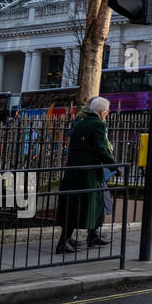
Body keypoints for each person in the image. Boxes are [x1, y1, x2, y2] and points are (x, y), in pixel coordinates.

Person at [56, 97, 117, 253]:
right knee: (87, 204)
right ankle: (64, 242)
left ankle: (74, 238)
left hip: (75, 170)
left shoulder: (81, 122)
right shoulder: (97, 125)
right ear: (102, 111)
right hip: (87, 173)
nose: (107, 114)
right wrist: (115, 166)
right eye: (107, 111)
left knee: (75, 204)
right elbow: (101, 148)